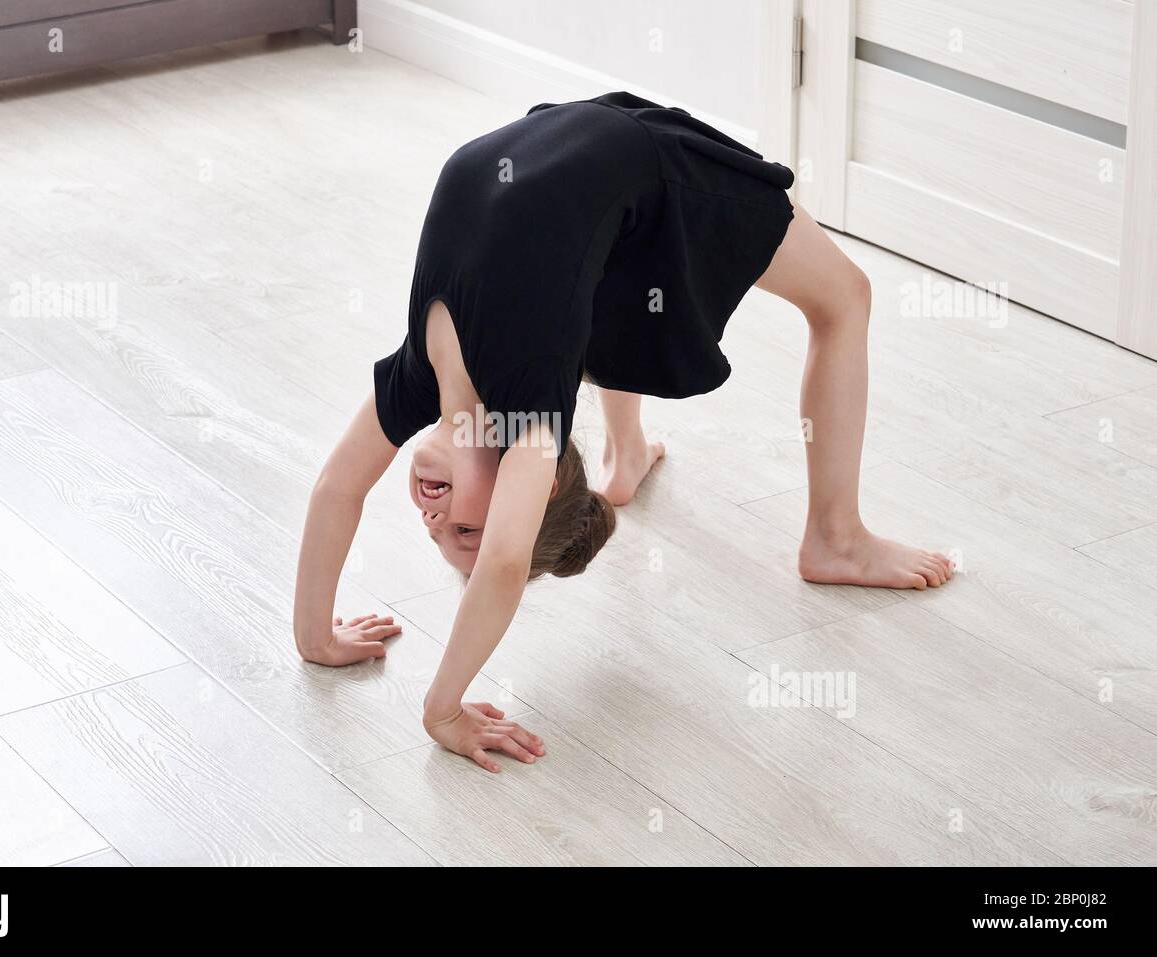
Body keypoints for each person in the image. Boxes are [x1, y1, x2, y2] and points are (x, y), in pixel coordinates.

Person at [293, 93, 954, 773]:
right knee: (846, 295)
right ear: (538, 481)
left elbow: (338, 487)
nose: (433, 520)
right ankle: (835, 537)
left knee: (585, 283)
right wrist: (444, 709)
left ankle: (632, 452)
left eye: (439, 534)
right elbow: (503, 563)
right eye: (465, 530)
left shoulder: (417, 380)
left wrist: (317, 638)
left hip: (585, 148)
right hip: (650, 168)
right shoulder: (529, 416)